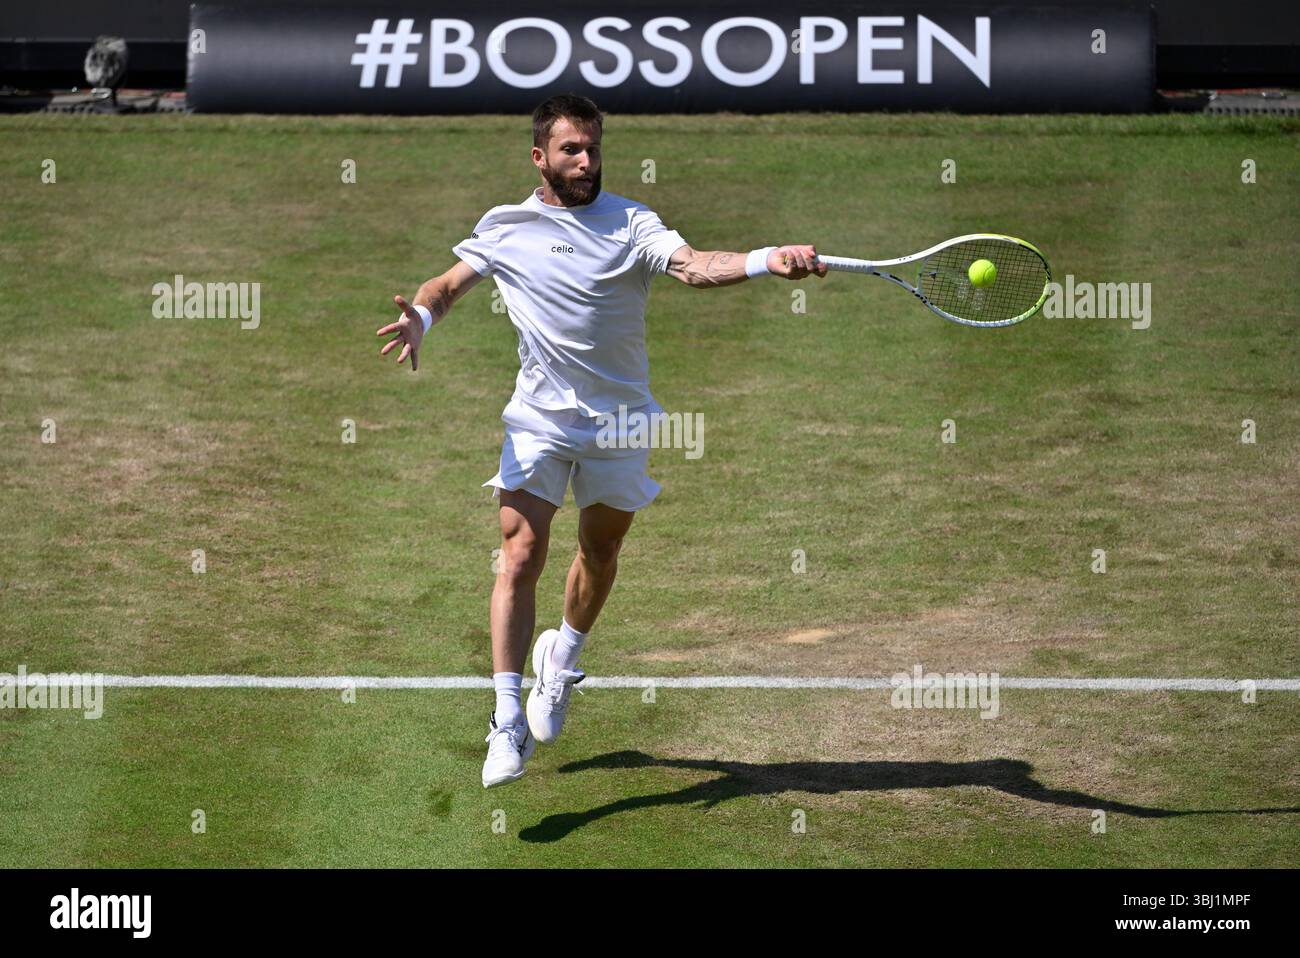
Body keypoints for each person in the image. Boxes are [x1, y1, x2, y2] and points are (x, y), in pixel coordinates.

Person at [376, 93, 827, 787]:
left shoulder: (632, 222)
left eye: (592, 149)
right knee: (520, 553)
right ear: (539, 158)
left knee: (601, 548)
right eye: (570, 151)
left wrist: (769, 259)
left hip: (621, 420)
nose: (585, 162)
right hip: (540, 420)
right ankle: (505, 720)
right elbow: (445, 286)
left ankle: (560, 663)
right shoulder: (506, 226)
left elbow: (695, 267)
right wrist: (421, 322)